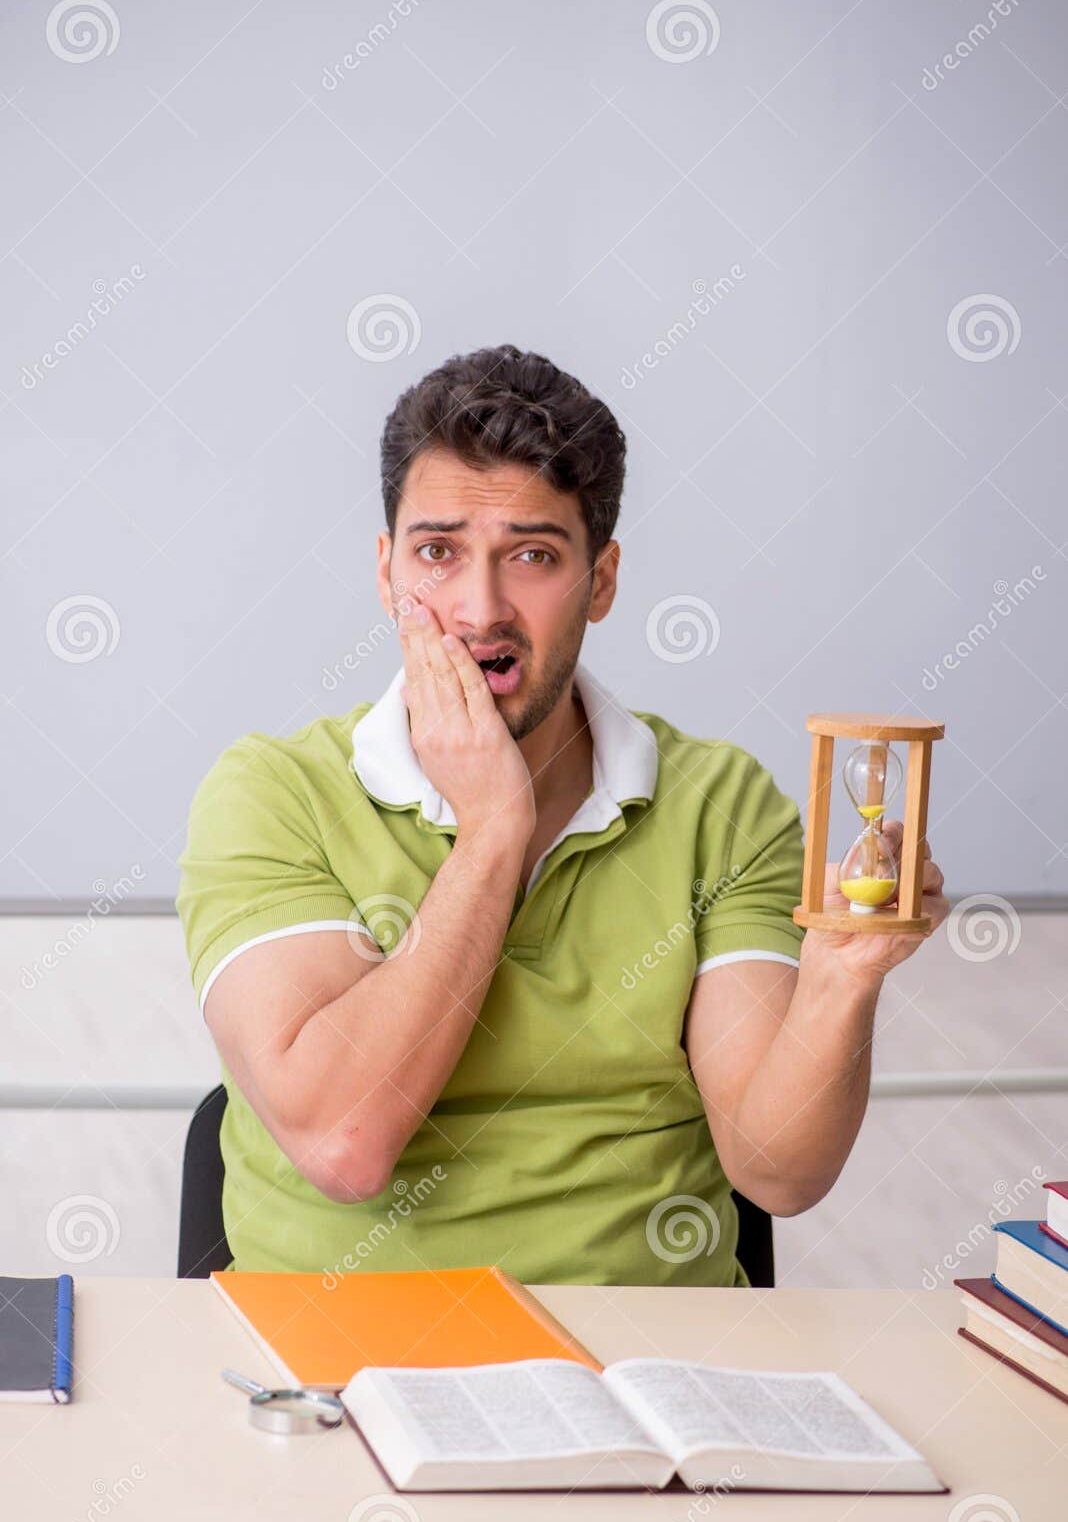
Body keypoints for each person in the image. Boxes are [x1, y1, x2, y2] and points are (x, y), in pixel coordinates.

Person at [176, 343, 947, 1283]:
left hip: (652, 1350)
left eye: (533, 555)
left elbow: (778, 1172)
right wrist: (493, 830)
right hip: (341, 1349)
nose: (481, 608)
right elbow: (343, 1144)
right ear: (387, 574)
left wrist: (842, 976)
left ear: (602, 580)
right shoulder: (271, 793)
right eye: (438, 552)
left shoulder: (722, 804)